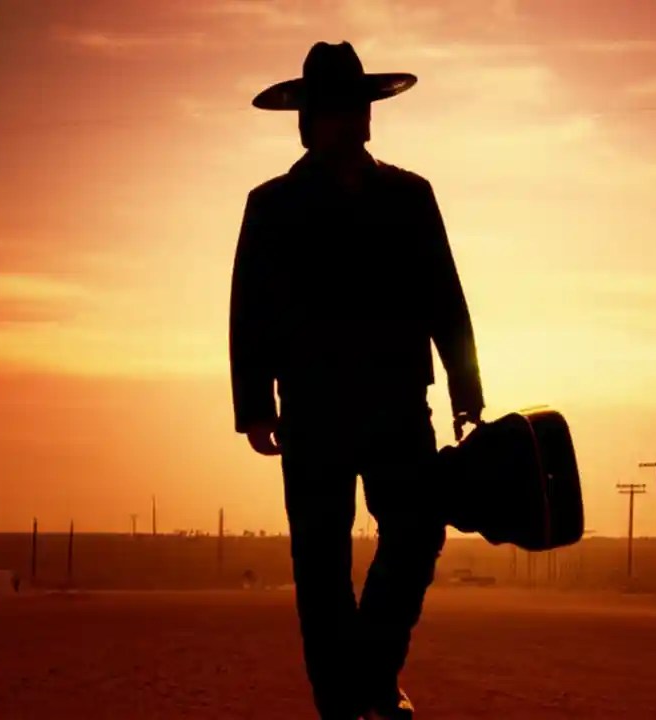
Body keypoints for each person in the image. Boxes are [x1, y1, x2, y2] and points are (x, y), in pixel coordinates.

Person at [230, 41, 485, 720]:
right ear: (308, 122)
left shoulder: (410, 196)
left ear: (370, 117)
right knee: (320, 562)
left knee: (417, 532)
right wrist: (254, 405)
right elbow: (249, 309)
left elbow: (445, 298)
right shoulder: (272, 206)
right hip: (311, 406)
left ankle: (370, 674)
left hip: (399, 401)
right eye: (336, 110)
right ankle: (341, 706)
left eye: (358, 109)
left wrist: (467, 394)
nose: (351, 121)